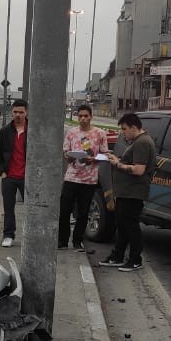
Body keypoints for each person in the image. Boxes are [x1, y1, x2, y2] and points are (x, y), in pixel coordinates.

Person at [99, 113, 155, 271]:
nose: (122, 132)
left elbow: (138, 170)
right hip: (125, 192)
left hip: (133, 192)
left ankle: (135, 259)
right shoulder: (137, 142)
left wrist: (117, 164)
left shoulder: (142, 143)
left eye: (124, 129)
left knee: (130, 226)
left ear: (134, 127)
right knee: (122, 225)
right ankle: (117, 256)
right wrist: (116, 158)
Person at [59, 104, 108, 250]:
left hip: (89, 179)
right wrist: (70, 156)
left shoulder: (100, 134)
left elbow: (106, 154)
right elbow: (66, 152)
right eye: (80, 116)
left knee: (83, 211)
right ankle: (62, 240)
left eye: (86, 116)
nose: (83, 119)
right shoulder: (71, 133)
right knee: (64, 210)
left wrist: (94, 159)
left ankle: (77, 240)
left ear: (91, 117)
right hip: (71, 177)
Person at [0, 99, 28, 247]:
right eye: (15, 112)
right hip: (9, 176)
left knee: (32, 208)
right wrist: (2, 172)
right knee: (8, 207)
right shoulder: (5, 131)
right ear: (11, 112)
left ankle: (30, 236)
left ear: (26, 112)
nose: (18, 115)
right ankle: (8, 235)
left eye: (21, 112)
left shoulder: (33, 130)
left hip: (28, 177)